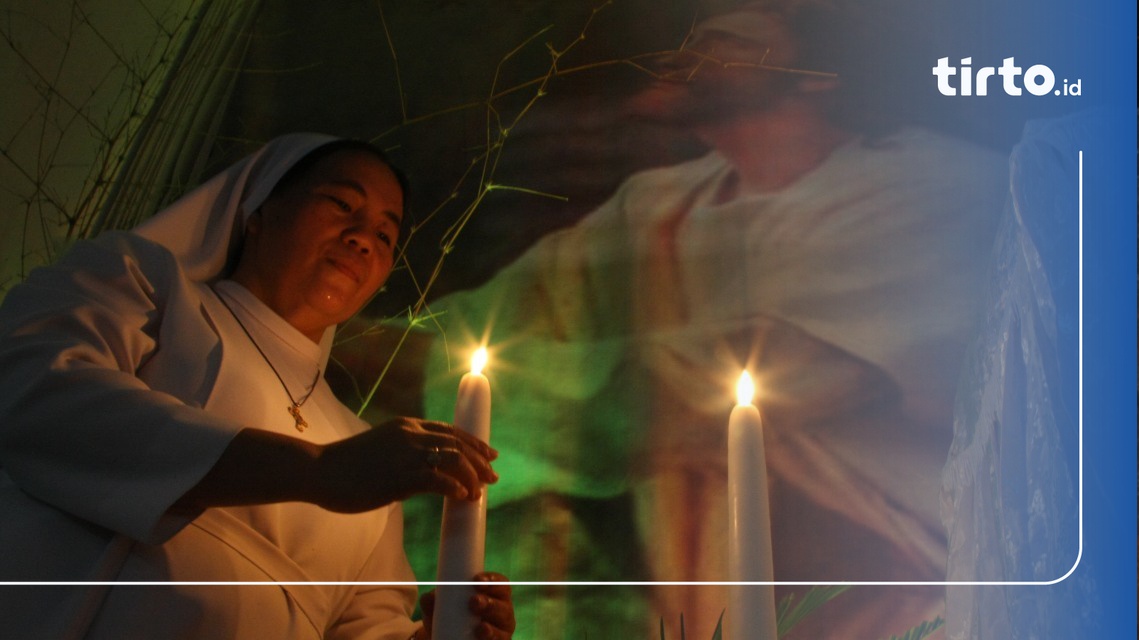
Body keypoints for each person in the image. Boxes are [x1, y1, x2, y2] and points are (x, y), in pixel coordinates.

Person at [388, 2, 1009, 637]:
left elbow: (677, 391)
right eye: (689, 35)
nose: (686, 52)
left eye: (722, 38)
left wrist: (412, 376)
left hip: (889, 609)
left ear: (817, 72)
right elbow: (502, 316)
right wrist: (368, 351)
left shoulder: (932, 188)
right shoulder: (663, 203)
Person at [0, 133, 516, 639]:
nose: (362, 237)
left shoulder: (364, 451)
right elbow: (39, 393)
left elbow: (362, 627)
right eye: (341, 204)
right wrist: (317, 471)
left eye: (385, 235)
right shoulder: (149, 286)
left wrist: (441, 631)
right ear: (258, 212)